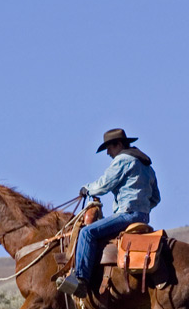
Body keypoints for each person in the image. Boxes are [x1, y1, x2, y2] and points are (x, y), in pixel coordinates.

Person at [58, 128, 161, 298]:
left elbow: (104, 185)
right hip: (143, 217)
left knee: (87, 233)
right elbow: (156, 198)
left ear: (119, 144)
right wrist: (142, 207)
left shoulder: (123, 160)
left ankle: (81, 280)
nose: (108, 153)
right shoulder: (146, 166)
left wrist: (87, 189)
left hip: (126, 215)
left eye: (109, 148)